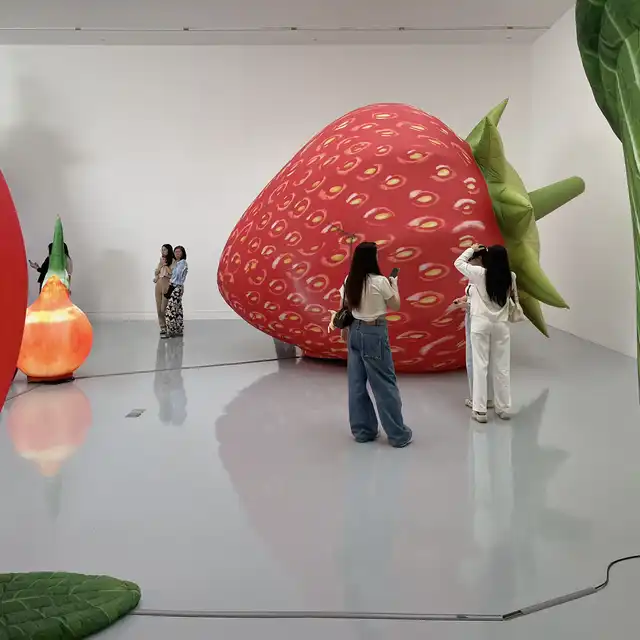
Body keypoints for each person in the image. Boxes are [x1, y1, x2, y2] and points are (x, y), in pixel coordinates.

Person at [330, 241, 412, 448]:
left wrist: (343, 330)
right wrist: (394, 285)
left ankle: (363, 431)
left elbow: (344, 305)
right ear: (372, 258)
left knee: (356, 383)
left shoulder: (350, 279)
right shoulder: (380, 281)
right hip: (374, 332)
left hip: (354, 331)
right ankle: (397, 434)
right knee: (384, 384)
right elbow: (395, 305)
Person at [454, 244, 518, 423]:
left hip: (480, 324)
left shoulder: (480, 274)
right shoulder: (511, 276)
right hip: (501, 325)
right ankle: (503, 407)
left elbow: (458, 263)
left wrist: (472, 249)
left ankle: (480, 410)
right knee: (502, 367)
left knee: (480, 366)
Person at [452, 248, 494, 410]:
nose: (468, 263)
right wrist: (464, 298)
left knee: (473, 360)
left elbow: (458, 262)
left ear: (478, 259)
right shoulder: (493, 273)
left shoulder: (478, 274)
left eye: (471, 259)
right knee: (486, 359)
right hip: (490, 321)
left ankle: (477, 400)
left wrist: (464, 305)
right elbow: (477, 295)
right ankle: (488, 397)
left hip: (476, 318)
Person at [164, 245, 188, 338]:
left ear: (183, 253)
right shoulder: (176, 263)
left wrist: (170, 278)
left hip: (177, 287)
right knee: (178, 309)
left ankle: (171, 331)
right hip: (175, 287)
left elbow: (177, 276)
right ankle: (178, 329)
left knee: (170, 309)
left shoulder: (182, 263)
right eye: (175, 252)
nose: (177, 253)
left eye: (179, 252)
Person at [153, 244, 176, 337]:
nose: (163, 251)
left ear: (169, 250)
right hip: (159, 284)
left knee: (164, 308)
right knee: (159, 308)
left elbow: (172, 274)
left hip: (167, 283)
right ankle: (163, 327)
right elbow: (156, 272)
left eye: (165, 250)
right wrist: (160, 265)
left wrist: (165, 265)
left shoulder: (173, 261)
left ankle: (169, 326)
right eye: (162, 250)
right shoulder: (161, 260)